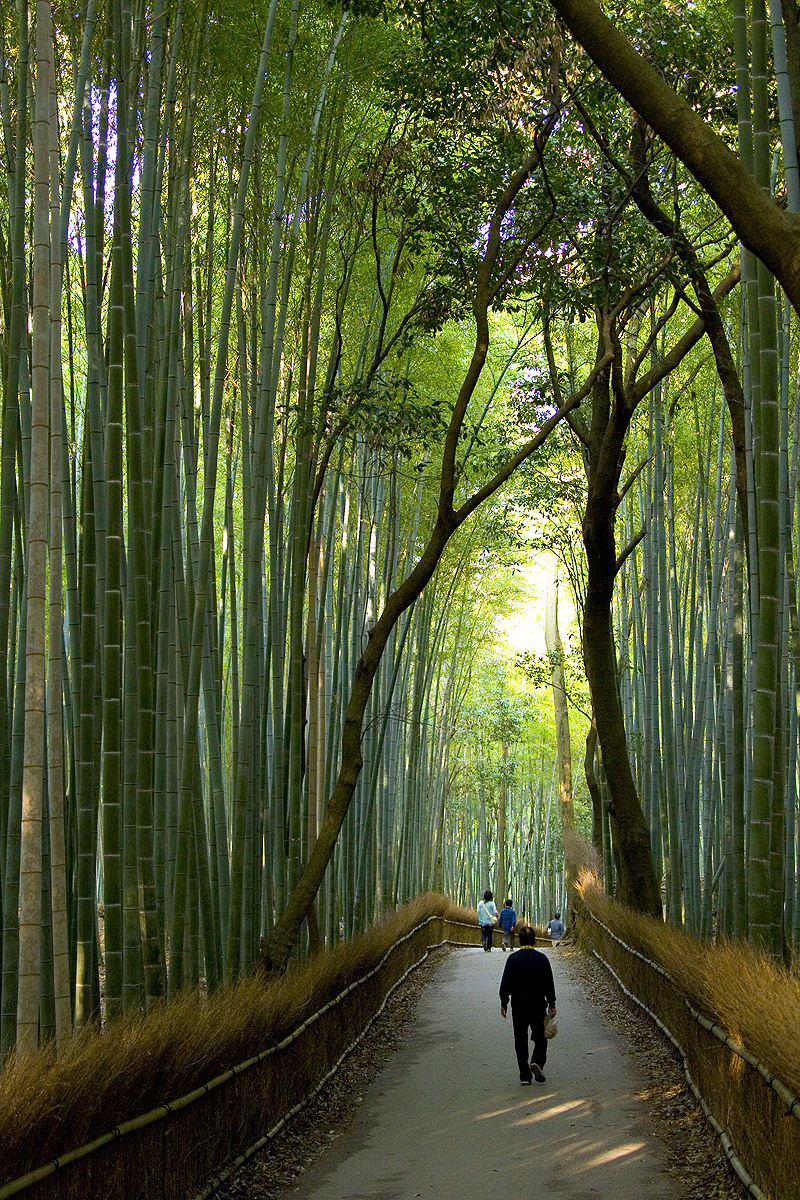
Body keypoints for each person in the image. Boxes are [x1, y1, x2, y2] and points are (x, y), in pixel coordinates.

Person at [499, 924, 557, 1084]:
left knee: (520, 1039)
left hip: (519, 1006)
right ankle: (537, 1061)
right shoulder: (542, 959)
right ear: (535, 941)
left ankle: (525, 1075)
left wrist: (504, 1002)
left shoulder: (513, 959)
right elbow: (549, 984)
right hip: (538, 1005)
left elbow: (505, 983)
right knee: (540, 1037)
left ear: (518, 941)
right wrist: (552, 1003)